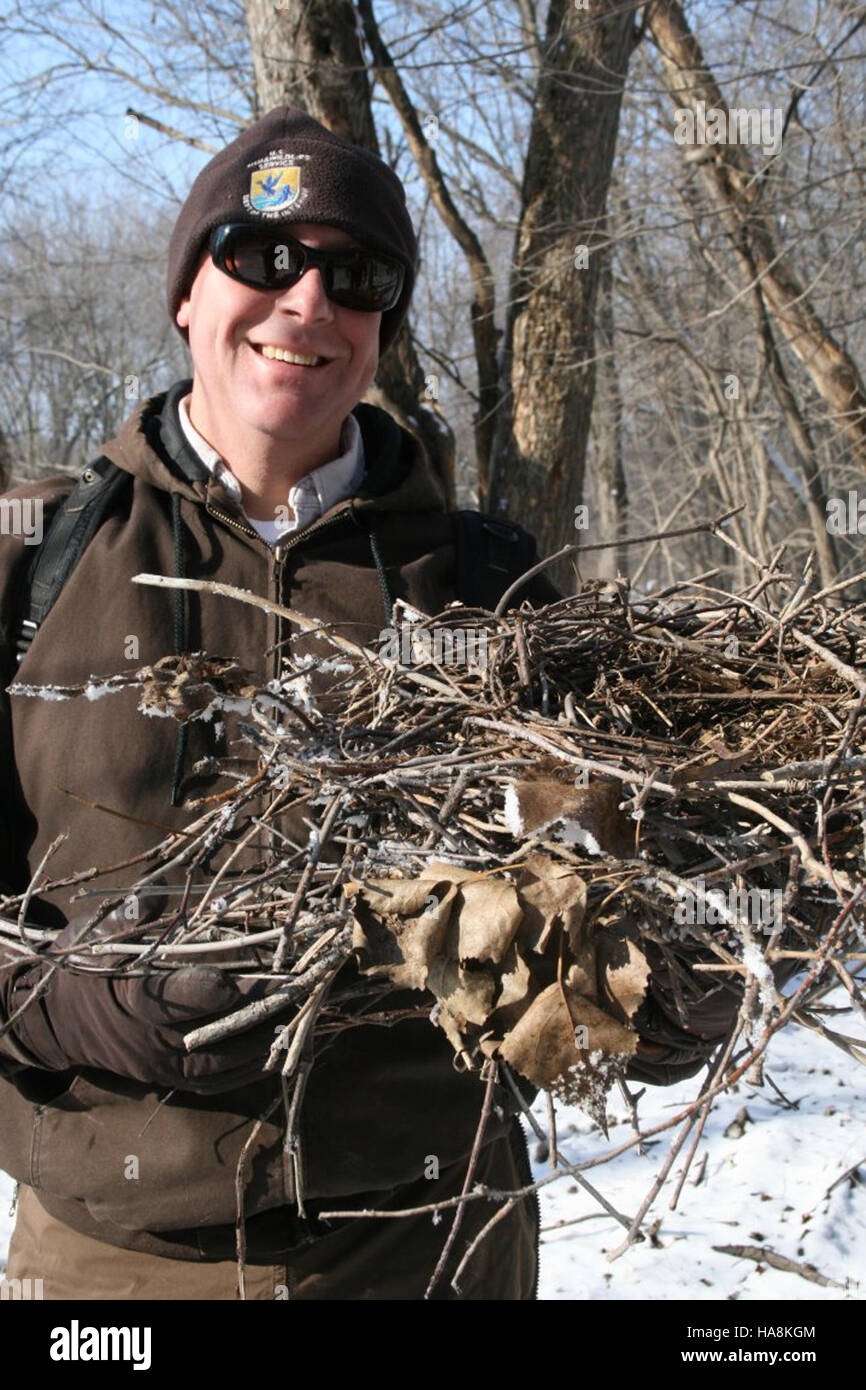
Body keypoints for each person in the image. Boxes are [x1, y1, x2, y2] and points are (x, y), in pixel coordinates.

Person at [0, 107, 776, 1301]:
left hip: (429, 1243)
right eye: (260, 257)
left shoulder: (493, 586)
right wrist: (80, 1008)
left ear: (380, 326)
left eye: (354, 274)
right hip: (120, 1260)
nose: (306, 300)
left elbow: (579, 887)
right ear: (186, 297)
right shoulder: (36, 564)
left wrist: (664, 991)